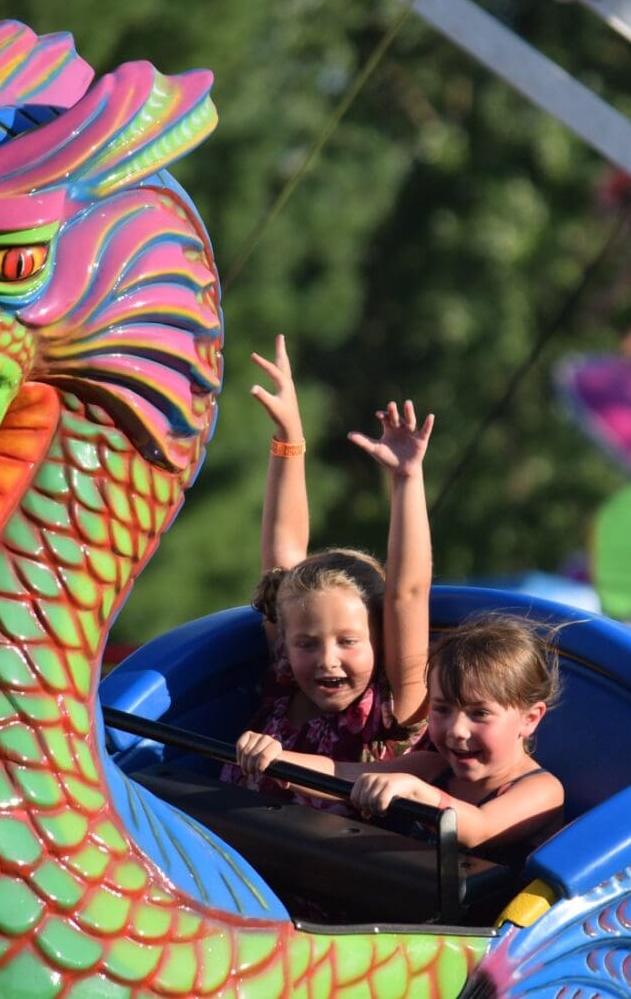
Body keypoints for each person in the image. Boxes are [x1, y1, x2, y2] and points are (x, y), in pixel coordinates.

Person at [222, 335, 434, 801]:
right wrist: (289, 439)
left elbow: (408, 593)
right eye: (307, 643)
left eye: (348, 641)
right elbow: (283, 551)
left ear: (381, 637)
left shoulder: (392, 705)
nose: (327, 659)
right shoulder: (284, 677)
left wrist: (405, 479)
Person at [236, 613, 565, 865]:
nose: (456, 730)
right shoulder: (431, 766)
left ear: (530, 718)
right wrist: (276, 758)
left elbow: (477, 829)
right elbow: (339, 774)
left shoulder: (541, 789)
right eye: (442, 709)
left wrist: (414, 789)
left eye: (479, 714)